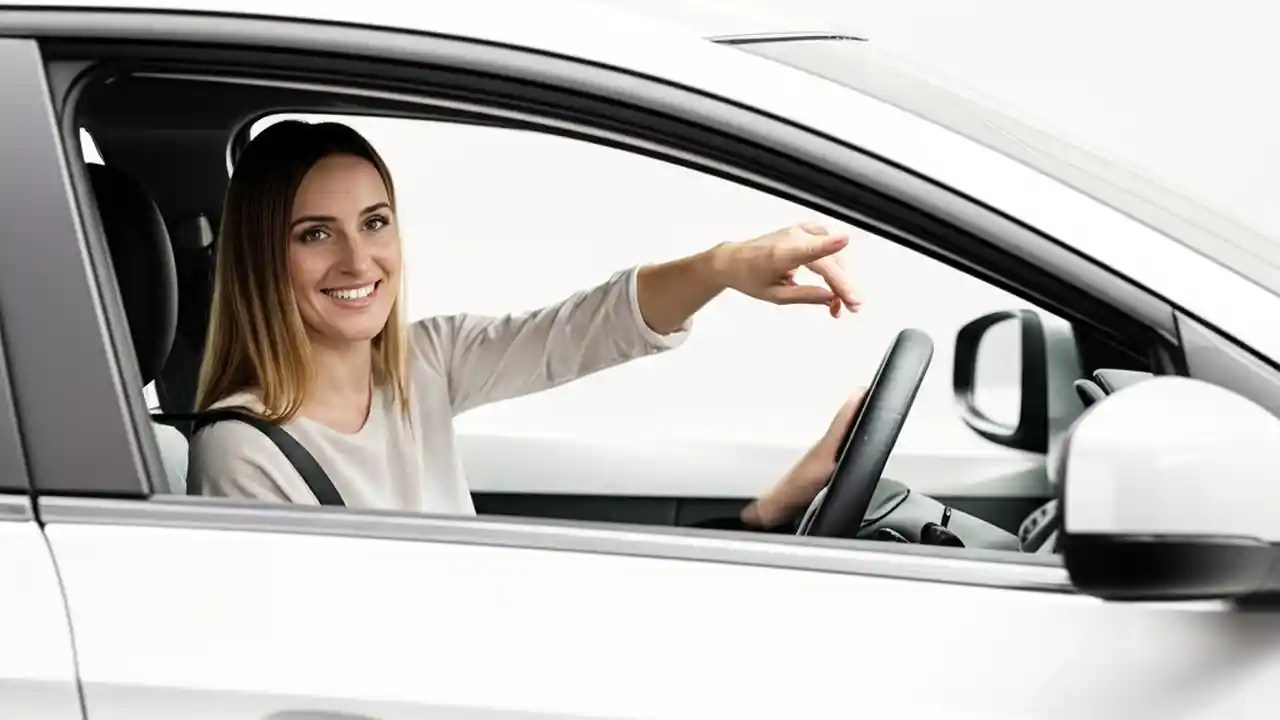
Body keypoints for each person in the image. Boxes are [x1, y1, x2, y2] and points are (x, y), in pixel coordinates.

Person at [188, 120, 866, 531]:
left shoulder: (423, 362)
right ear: (262, 256)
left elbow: (583, 330)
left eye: (375, 222)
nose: (358, 259)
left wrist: (724, 266)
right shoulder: (244, 450)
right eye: (315, 234)